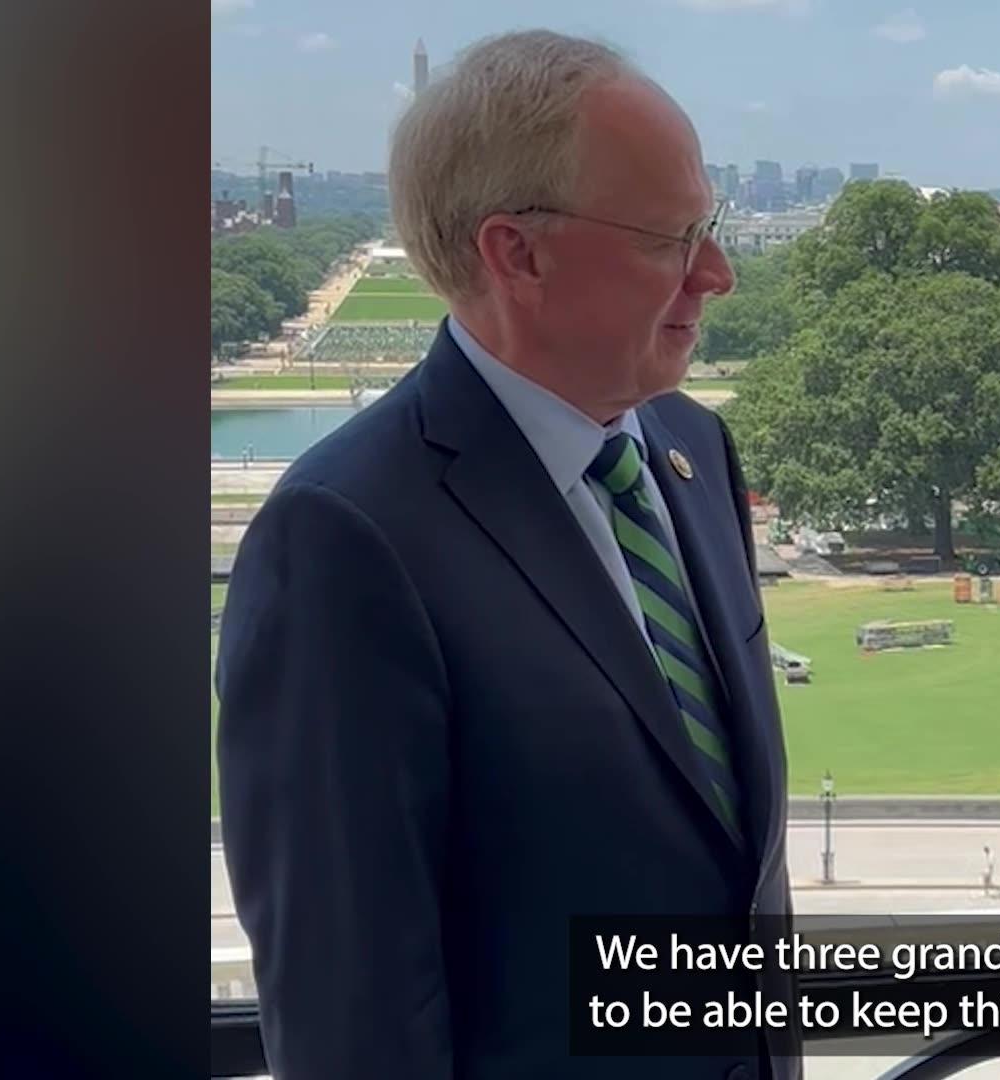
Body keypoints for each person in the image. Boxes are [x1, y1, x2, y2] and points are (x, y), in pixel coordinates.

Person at [215, 30, 798, 1079]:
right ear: (514, 254)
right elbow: (355, 1019)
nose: (718, 275)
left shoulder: (693, 450)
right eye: (670, 238)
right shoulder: (341, 541)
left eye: (706, 226)